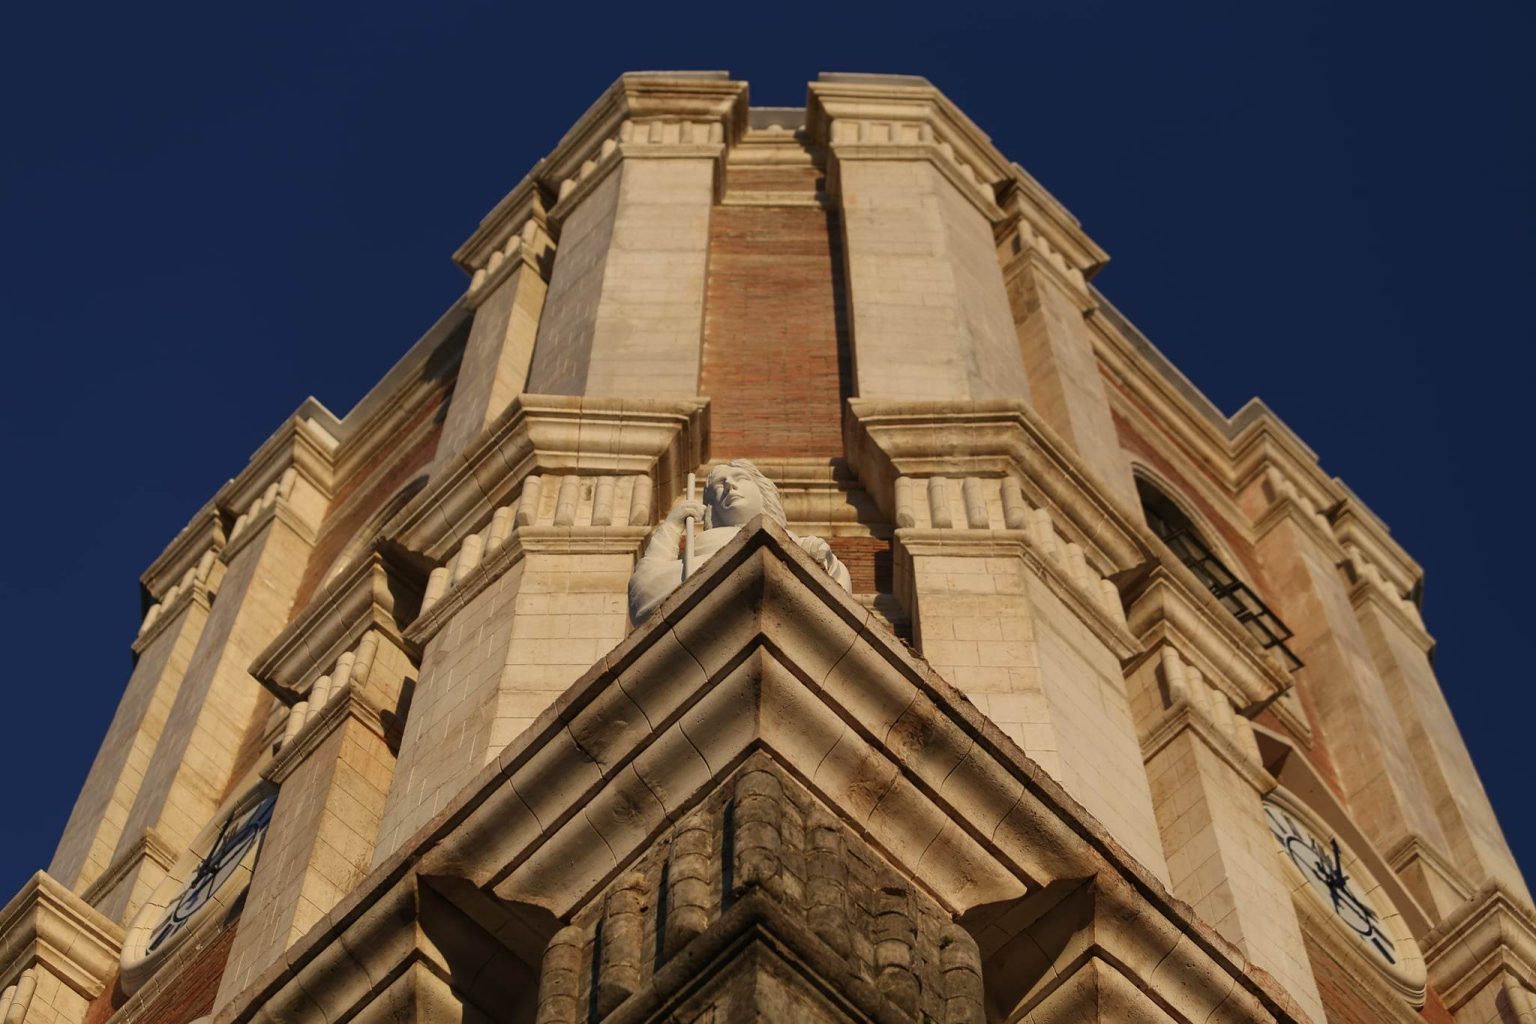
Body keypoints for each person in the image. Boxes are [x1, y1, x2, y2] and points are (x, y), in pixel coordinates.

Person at [627, 459, 851, 624]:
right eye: (719, 485)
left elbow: (838, 599)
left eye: (740, 479)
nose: (729, 486)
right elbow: (644, 596)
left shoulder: (802, 546)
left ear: (763, 494)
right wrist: (672, 527)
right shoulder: (693, 555)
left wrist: (823, 561)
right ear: (711, 508)